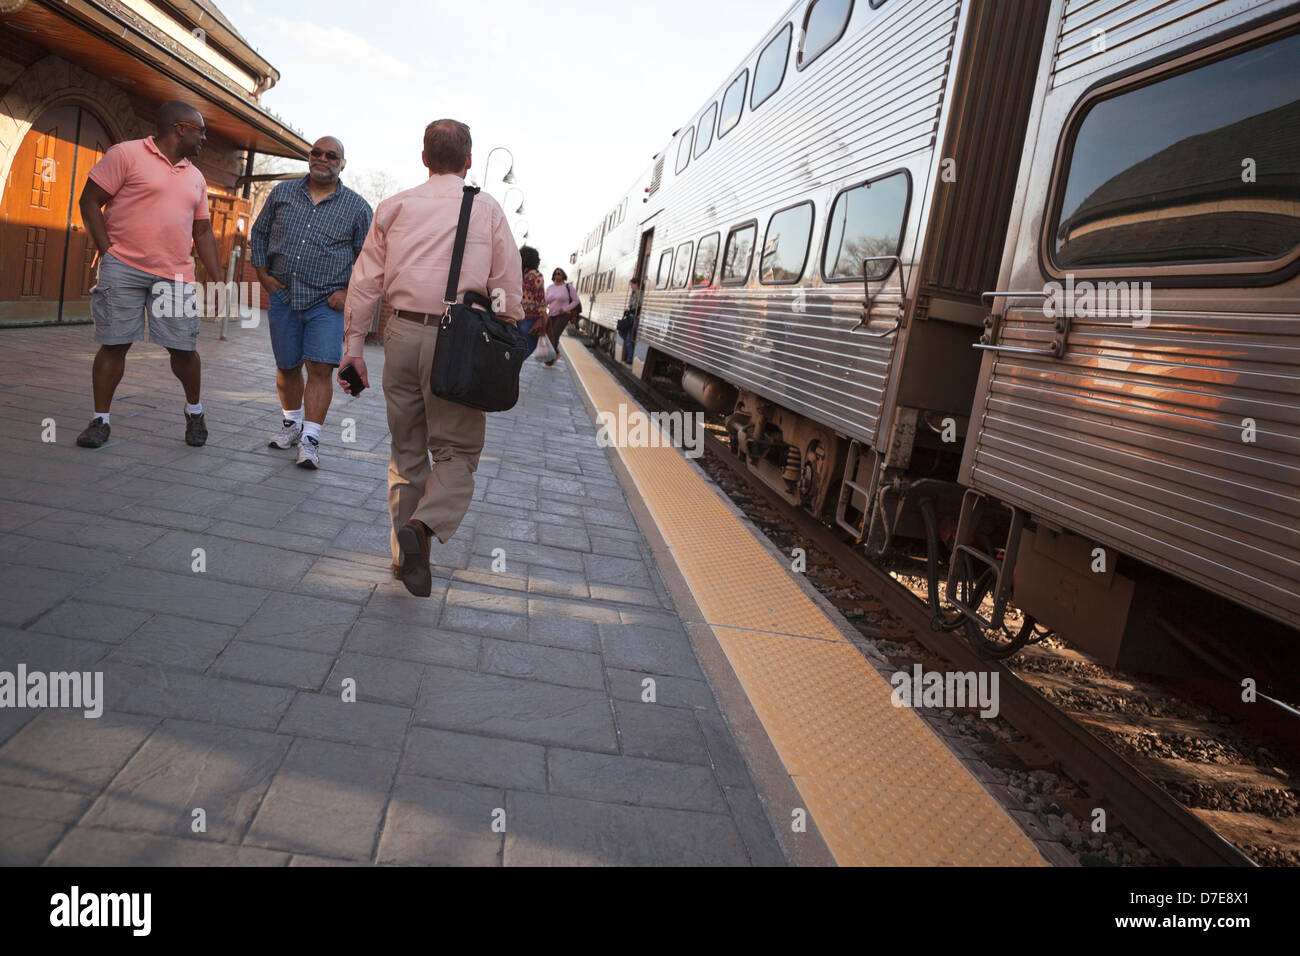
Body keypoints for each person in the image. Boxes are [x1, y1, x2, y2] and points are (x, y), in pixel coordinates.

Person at [340, 119, 522, 598]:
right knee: (457, 452)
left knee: (406, 451)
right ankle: (422, 528)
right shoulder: (487, 209)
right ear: (468, 161)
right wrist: (507, 334)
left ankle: (404, 561)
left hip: (398, 333)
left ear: (424, 159)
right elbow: (506, 287)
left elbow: (364, 283)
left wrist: (353, 349)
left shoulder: (394, 206)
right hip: (458, 341)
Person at [74, 101, 222, 449]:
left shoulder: (196, 177)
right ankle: (100, 420)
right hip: (123, 267)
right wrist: (108, 250)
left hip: (174, 275)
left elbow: (202, 233)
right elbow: (89, 200)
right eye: (201, 131)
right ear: (180, 128)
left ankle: (195, 412)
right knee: (114, 344)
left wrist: (217, 279)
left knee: (183, 349)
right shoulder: (125, 154)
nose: (204, 138)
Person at [250, 136, 372, 469]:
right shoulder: (282, 193)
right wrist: (262, 274)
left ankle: (310, 439)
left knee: (320, 367)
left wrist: (348, 293)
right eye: (316, 152)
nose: (322, 158)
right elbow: (259, 234)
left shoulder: (358, 207)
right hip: (284, 295)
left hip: (326, 301)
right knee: (287, 367)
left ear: (342, 164)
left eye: (331, 155)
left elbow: (370, 260)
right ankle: (291, 426)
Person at [543, 267, 580, 368]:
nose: (557, 275)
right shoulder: (550, 287)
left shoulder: (568, 287)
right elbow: (546, 301)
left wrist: (566, 308)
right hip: (551, 315)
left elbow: (576, 301)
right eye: (555, 273)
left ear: (563, 275)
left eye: (559, 273)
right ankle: (557, 353)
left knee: (554, 335)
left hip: (563, 315)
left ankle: (549, 361)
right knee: (550, 336)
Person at [519, 245, 546, 358]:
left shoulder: (520, 274)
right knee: (528, 346)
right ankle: (513, 369)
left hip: (518, 314)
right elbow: (539, 298)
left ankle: (511, 369)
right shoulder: (536, 276)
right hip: (531, 318)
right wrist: (543, 315)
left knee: (518, 346)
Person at [619, 277, 641, 365]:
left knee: (628, 337)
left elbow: (638, 307)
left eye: (631, 284)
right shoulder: (634, 293)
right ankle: (630, 352)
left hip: (634, 318)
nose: (631, 286)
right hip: (630, 317)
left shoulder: (640, 294)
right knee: (621, 332)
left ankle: (631, 358)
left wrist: (631, 312)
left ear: (636, 284)